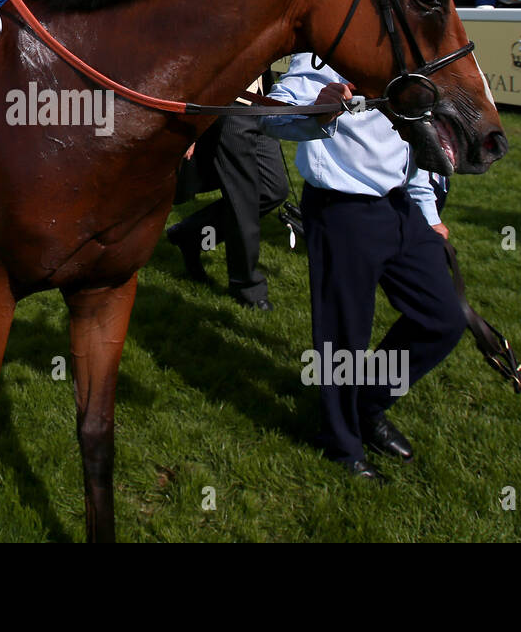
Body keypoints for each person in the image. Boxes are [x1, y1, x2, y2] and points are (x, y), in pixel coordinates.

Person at [260, 53, 468, 482]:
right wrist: (318, 109)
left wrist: (428, 212)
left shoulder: (403, 57)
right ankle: (340, 443)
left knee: (443, 319)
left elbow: (412, 140)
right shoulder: (323, 58)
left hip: (400, 205)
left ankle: (368, 405)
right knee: (344, 338)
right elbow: (270, 116)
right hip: (341, 208)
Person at [167, 75, 290, 310]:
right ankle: (246, 286)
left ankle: (191, 235)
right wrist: (191, 126)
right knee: (243, 199)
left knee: (273, 189)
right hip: (230, 107)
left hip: (262, 102)